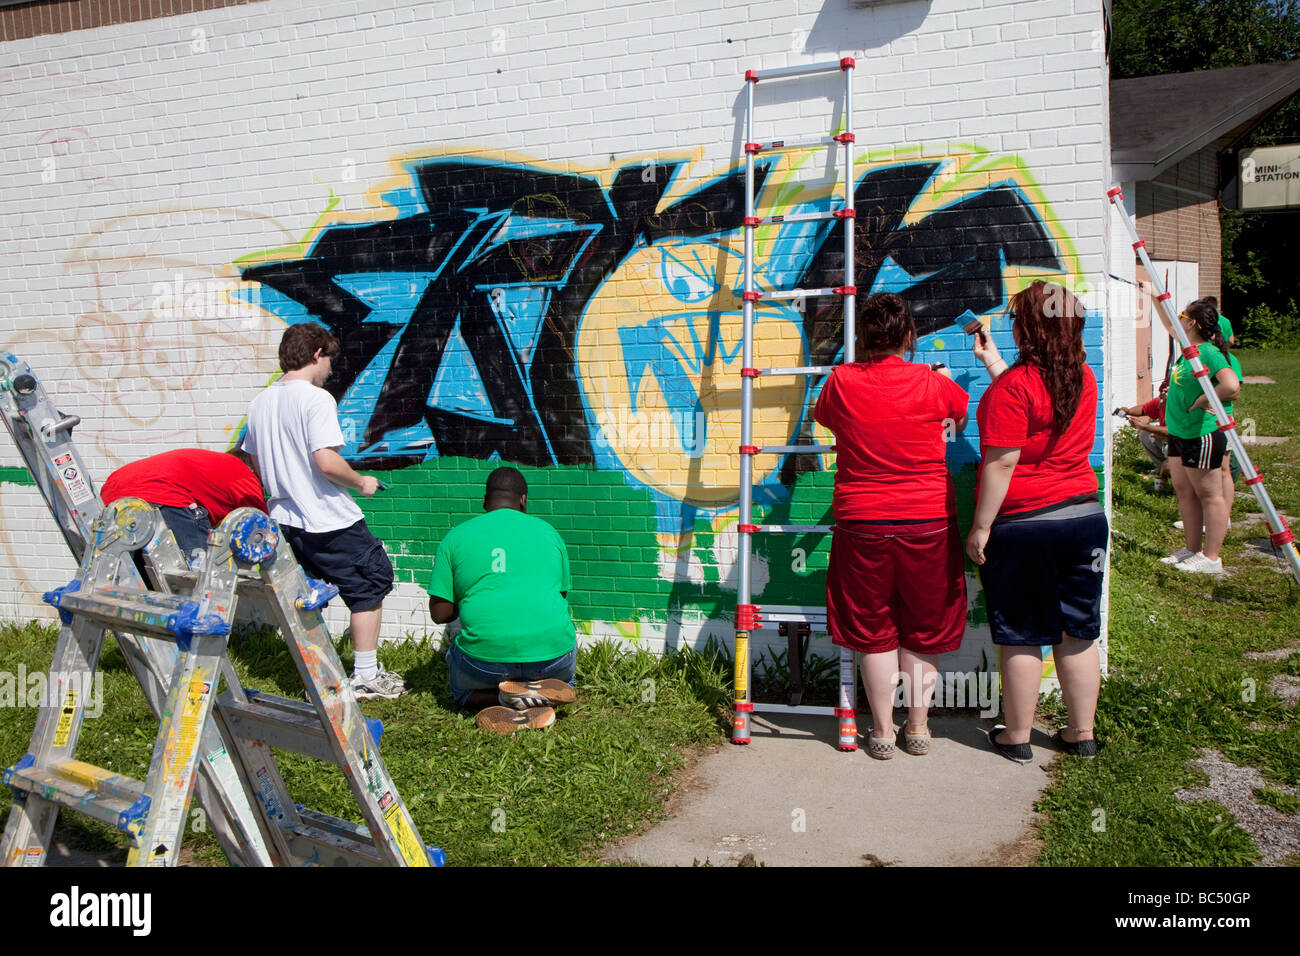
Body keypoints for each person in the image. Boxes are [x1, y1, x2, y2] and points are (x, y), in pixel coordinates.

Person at [813, 293, 969, 759]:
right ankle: (917, 727)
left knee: (874, 627)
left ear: (864, 337)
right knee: (923, 627)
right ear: (908, 336)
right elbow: (958, 414)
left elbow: (827, 421)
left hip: (862, 521)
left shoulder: (840, 381)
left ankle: (881, 732)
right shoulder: (934, 383)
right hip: (927, 521)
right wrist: (936, 380)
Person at [966, 280, 1108, 763]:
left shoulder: (1015, 388)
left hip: (1026, 525)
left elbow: (1002, 463)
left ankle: (1018, 736)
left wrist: (981, 526)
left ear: (1027, 328)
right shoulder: (1084, 376)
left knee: (1023, 633)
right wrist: (992, 361)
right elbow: (1042, 400)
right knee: (1078, 631)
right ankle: (1081, 734)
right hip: (1084, 517)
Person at [242, 322, 406, 700]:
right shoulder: (316, 399)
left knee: (308, 593)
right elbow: (327, 462)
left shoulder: (260, 402)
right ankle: (365, 675)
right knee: (370, 584)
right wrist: (361, 482)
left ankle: (317, 667)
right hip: (326, 518)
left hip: (285, 520)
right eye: (330, 359)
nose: (332, 369)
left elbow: (255, 461)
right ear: (317, 354)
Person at [428, 467, 578, 734]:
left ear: (485, 501)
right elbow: (560, 596)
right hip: (553, 658)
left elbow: (440, 614)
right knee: (568, 680)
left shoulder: (455, 537)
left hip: (484, 663)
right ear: (523, 500)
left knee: (459, 689)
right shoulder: (549, 533)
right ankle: (536, 692)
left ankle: (504, 698)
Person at [1157, 299, 1240, 573]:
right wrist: (1152, 298)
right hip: (1180, 432)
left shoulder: (1209, 353)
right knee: (1184, 491)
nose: (1178, 321)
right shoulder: (1188, 349)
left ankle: (1211, 557)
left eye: (1182, 316)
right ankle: (1191, 549)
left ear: (1192, 323)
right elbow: (1169, 326)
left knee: (1209, 494)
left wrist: (1205, 398)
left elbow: (1231, 386)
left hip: (1202, 432)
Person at [100, 448, 268, 559]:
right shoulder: (241, 470)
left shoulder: (213, 467)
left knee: (141, 575)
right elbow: (260, 526)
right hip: (164, 497)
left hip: (115, 493)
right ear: (253, 466)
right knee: (196, 575)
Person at [1119, 380, 1170, 490]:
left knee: (1170, 464)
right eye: (1162, 387)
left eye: (1166, 388)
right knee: (1145, 434)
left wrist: (1145, 427)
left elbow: (1173, 432)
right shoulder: (1161, 402)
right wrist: (1128, 411)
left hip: (1183, 444)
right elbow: (1144, 409)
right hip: (1170, 440)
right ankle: (1162, 465)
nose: (1163, 390)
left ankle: (1167, 469)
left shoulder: (1180, 405)